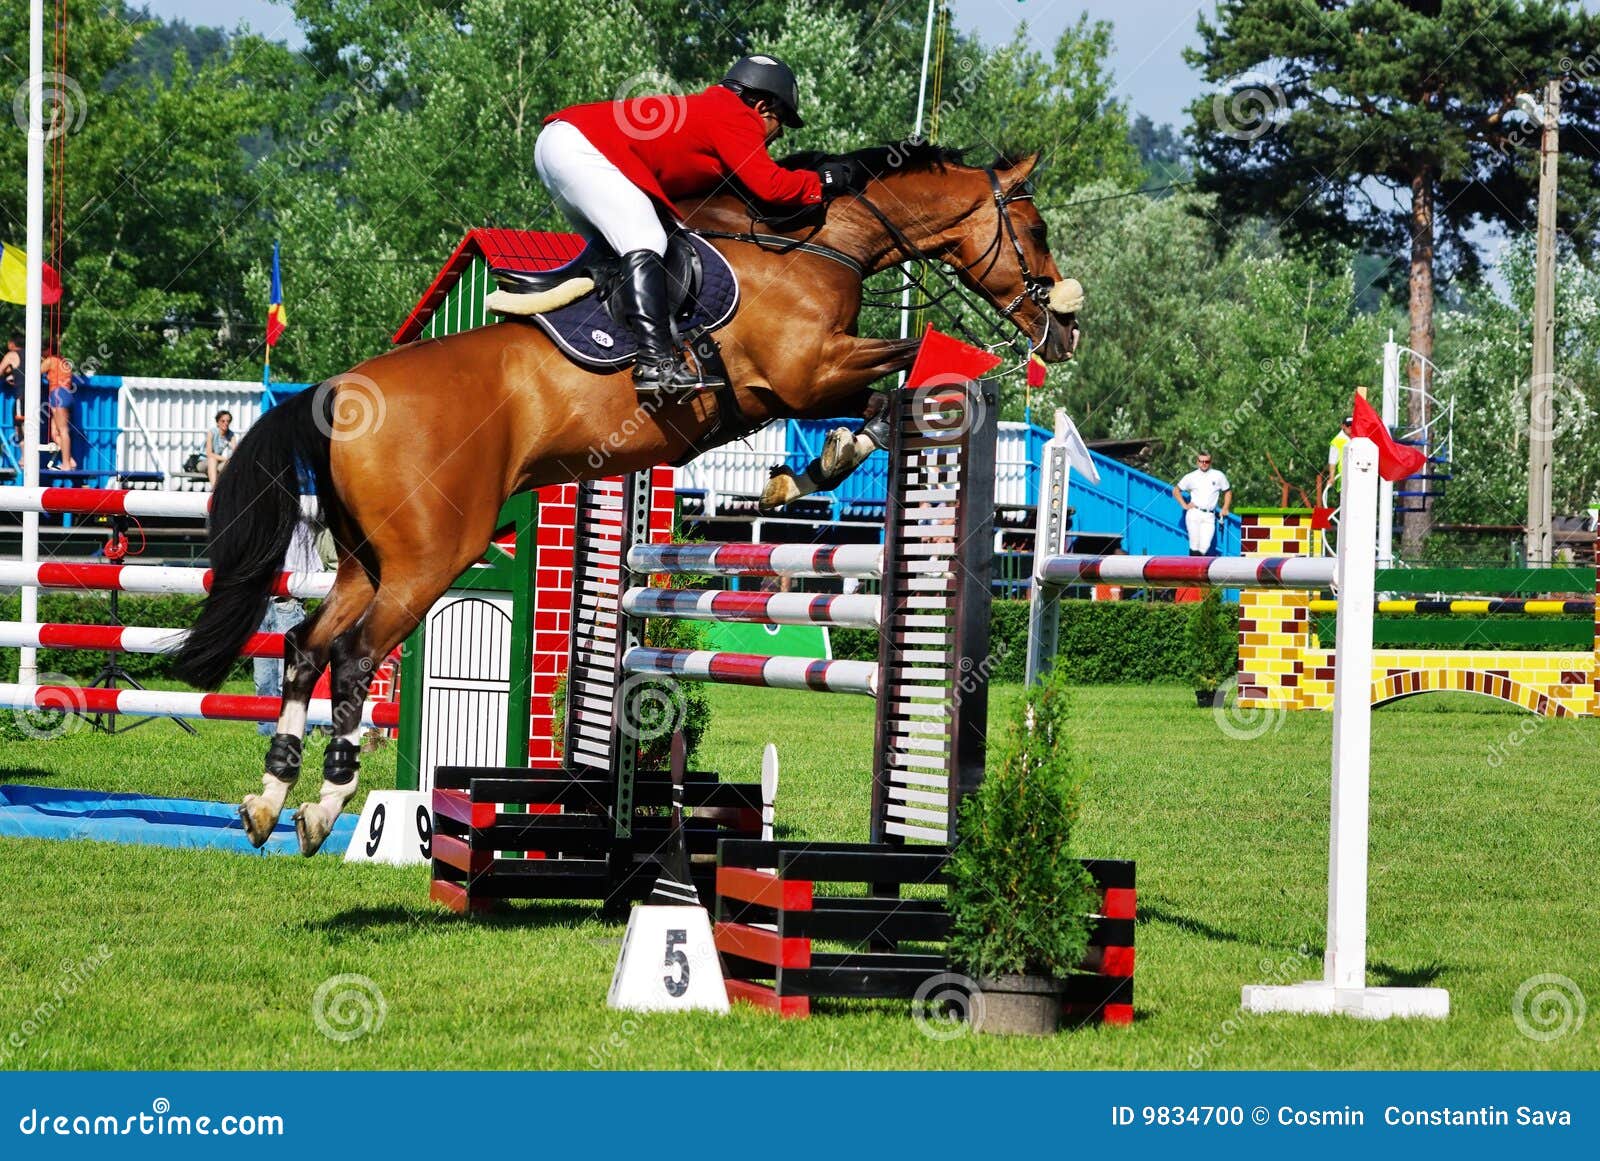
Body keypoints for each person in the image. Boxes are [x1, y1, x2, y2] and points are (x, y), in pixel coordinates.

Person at [538, 54, 864, 397]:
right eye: (779, 125)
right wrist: (822, 181)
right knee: (646, 238)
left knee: (618, 253)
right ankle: (656, 363)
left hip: (560, 143)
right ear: (763, 107)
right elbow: (771, 186)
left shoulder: (712, 110)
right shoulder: (736, 115)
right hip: (579, 149)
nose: (775, 138)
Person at [255, 521, 323, 737]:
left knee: (289, 677)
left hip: (288, 604)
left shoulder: (298, 518)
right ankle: (267, 735)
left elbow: (315, 569)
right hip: (260, 604)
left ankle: (295, 733)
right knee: (263, 680)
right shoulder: (254, 517)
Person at [1173, 451, 1232, 556]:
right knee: (1194, 545)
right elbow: (1176, 490)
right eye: (1201, 461)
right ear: (1197, 462)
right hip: (1194, 513)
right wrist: (1184, 505)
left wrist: (1225, 507)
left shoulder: (1218, 475)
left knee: (1205, 547)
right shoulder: (1191, 476)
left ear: (1210, 462)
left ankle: (1196, 569)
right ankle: (1193, 571)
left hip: (1209, 515)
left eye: (1207, 461)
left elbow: (1227, 491)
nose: (1204, 464)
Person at [40, 342, 74, 470]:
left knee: (63, 430)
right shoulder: (64, 362)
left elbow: (35, 372)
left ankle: (66, 463)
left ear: (48, 350)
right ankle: (70, 460)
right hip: (64, 394)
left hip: (58, 394)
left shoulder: (51, 360)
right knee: (55, 432)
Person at [205, 409, 236, 487]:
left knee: (232, 464)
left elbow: (236, 451)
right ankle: (214, 490)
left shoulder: (231, 434)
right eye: (223, 421)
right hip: (204, 461)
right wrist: (225, 459)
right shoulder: (212, 432)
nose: (226, 423)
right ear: (217, 422)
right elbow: (209, 454)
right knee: (212, 460)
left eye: (228, 421)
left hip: (218, 463)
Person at [2, 333, 22, 449]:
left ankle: (25, 459)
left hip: (21, 395)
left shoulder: (12, 355)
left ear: (12, 344)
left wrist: (7, 375)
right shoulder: (32, 354)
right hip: (38, 396)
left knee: (20, 426)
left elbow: (1, 370)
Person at [1327, 415, 1353, 483]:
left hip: (1356, 476)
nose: (1350, 427)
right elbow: (1332, 461)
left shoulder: (1357, 438)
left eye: (1352, 425)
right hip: (1343, 479)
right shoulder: (1337, 441)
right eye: (1348, 425)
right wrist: (1332, 477)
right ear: (1343, 426)